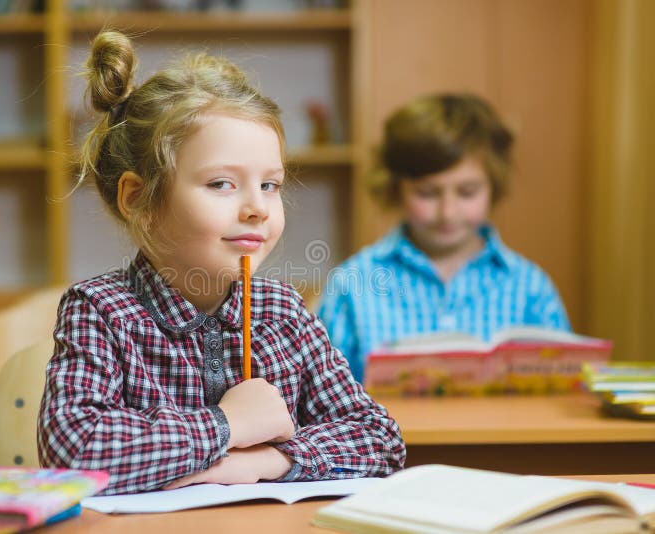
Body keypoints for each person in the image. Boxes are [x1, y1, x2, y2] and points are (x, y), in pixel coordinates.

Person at [37, 30, 405, 495]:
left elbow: (378, 438)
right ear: (138, 198)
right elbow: (73, 449)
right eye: (221, 184)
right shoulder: (101, 311)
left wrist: (268, 461)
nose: (257, 208)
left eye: (270, 185)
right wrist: (227, 424)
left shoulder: (283, 311)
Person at [317, 93, 571, 383]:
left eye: (467, 192)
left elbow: (563, 394)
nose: (448, 213)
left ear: (494, 185)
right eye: (427, 193)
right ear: (395, 188)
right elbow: (318, 399)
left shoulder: (531, 287)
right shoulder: (352, 284)